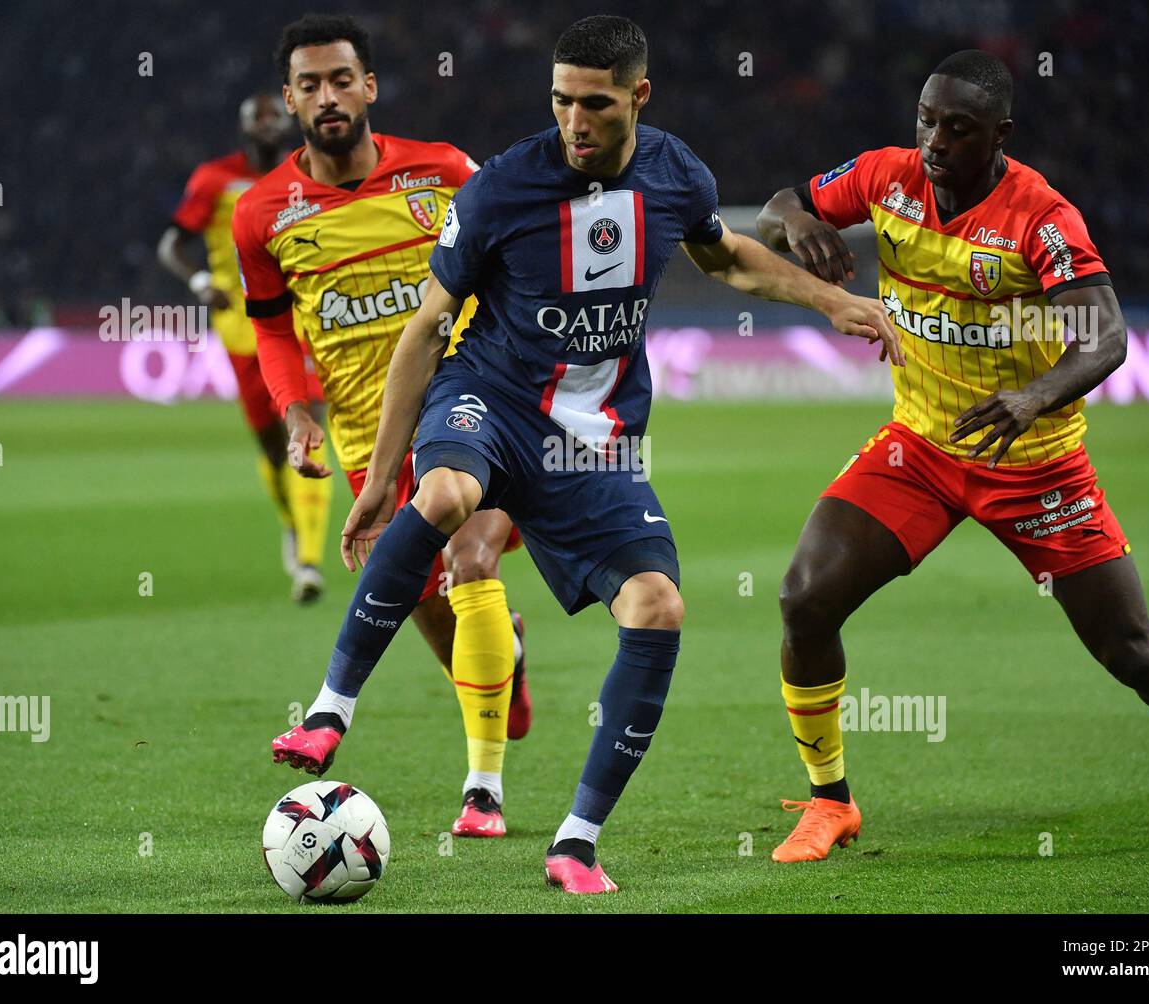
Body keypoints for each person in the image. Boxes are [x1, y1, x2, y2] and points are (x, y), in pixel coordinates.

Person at [324, 15, 901, 893]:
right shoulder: (502, 188)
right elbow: (425, 330)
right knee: (441, 498)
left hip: (593, 446)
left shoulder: (674, 174)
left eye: (594, 104)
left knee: (658, 606)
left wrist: (828, 301)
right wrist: (376, 480)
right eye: (560, 102)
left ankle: (576, 841)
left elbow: (730, 258)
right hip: (490, 398)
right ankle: (330, 713)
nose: (575, 123)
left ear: (638, 96)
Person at [756, 49, 1149, 864]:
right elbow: (779, 205)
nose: (936, 141)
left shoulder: (1041, 218)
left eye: (959, 128)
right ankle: (830, 802)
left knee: (1134, 656)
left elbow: (1108, 338)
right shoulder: (886, 176)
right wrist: (798, 222)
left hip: (1037, 465)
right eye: (927, 121)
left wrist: (1030, 399)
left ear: (999, 135)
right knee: (805, 599)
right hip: (921, 442)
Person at [232, 14, 532, 840]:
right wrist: (298, 412)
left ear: (368, 86)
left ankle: (483, 795)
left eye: (340, 79)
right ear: (289, 99)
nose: (327, 97)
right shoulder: (263, 215)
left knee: (468, 559)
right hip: (373, 440)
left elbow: (515, 265)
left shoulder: (443, 172)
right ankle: (498, 659)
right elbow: (271, 328)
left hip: (486, 410)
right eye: (309, 85)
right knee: (434, 609)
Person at [158, 95, 332, 603]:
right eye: (256, 118)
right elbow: (171, 244)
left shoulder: (311, 173)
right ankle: (292, 523)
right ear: (242, 127)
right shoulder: (215, 179)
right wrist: (197, 282)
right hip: (241, 330)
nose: (266, 124)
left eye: (273, 116)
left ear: (288, 121)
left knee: (308, 426)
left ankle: (309, 561)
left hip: (301, 324)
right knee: (271, 448)